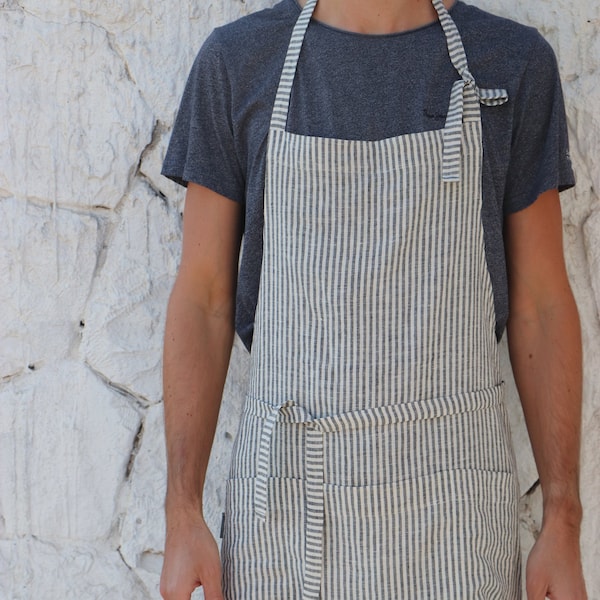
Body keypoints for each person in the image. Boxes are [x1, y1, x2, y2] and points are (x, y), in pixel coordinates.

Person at [159, 0, 587, 598]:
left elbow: (541, 305)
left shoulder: (512, 64)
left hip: (456, 519)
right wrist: (183, 515)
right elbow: (202, 300)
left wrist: (562, 522)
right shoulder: (237, 62)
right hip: (288, 512)